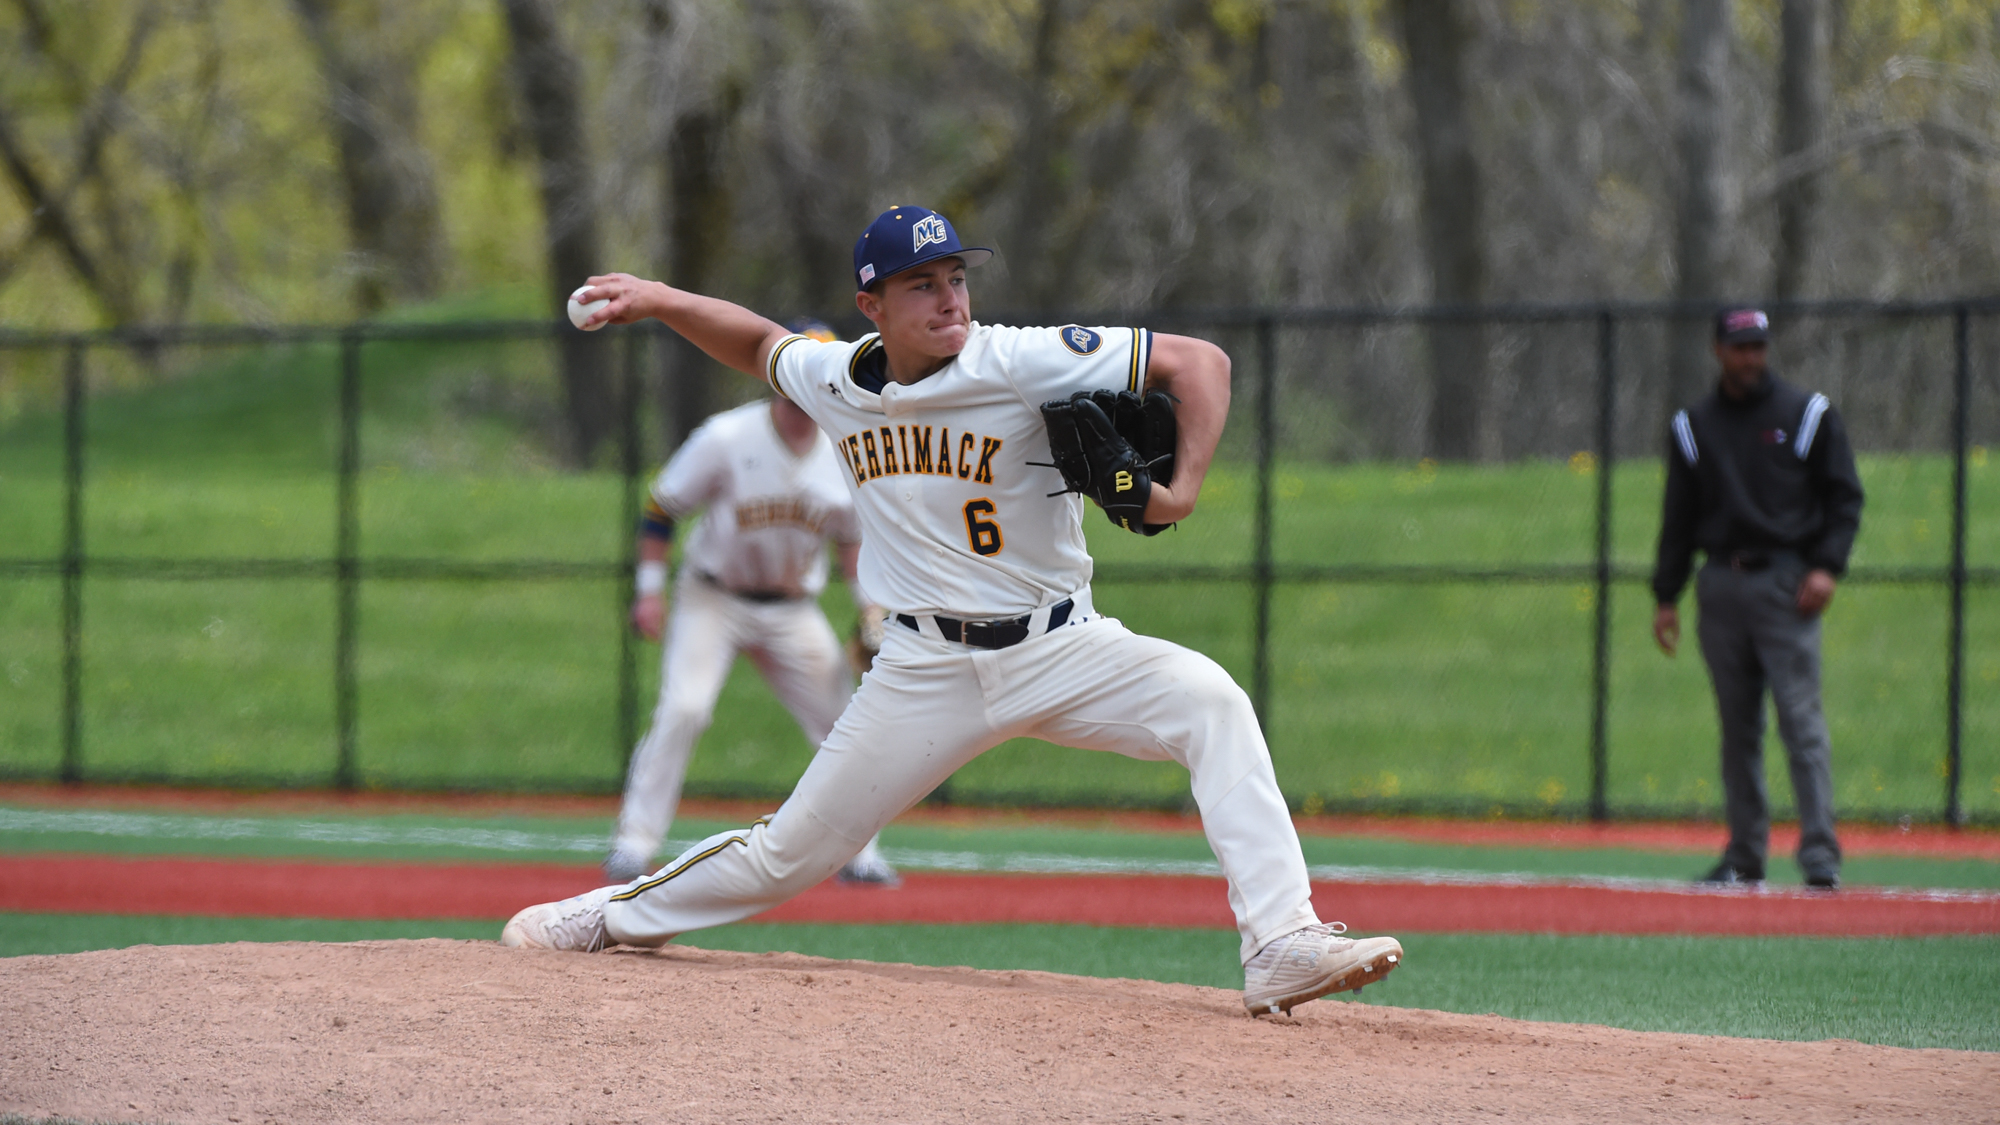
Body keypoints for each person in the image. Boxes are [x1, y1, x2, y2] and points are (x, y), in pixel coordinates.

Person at [501, 205, 1403, 1017]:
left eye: (957, 277)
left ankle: (1282, 941)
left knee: (1212, 701)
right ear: (873, 308)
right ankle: (611, 915)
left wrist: (1182, 492)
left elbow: (1199, 363)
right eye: (921, 285)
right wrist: (660, 298)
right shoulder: (839, 382)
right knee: (790, 853)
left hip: (1064, 644)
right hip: (924, 668)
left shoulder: (1017, 357)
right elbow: (758, 344)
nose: (949, 299)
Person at [608, 319, 898, 887]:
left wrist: (870, 608)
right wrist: (648, 592)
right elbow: (662, 508)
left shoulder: (846, 450)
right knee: (685, 708)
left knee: (847, 722)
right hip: (713, 597)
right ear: (781, 375)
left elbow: (849, 539)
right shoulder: (727, 437)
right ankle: (632, 845)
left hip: (792, 608)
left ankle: (858, 855)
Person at [1651, 307, 1864, 890]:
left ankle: (1820, 854)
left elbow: (1845, 496)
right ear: (1718, 349)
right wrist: (1666, 595)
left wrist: (1826, 566)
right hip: (1720, 583)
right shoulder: (1694, 426)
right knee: (1737, 729)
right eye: (1741, 347)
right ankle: (1745, 856)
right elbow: (1679, 516)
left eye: (1759, 347)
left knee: (1801, 723)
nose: (1752, 358)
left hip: (1785, 584)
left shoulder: (1805, 414)